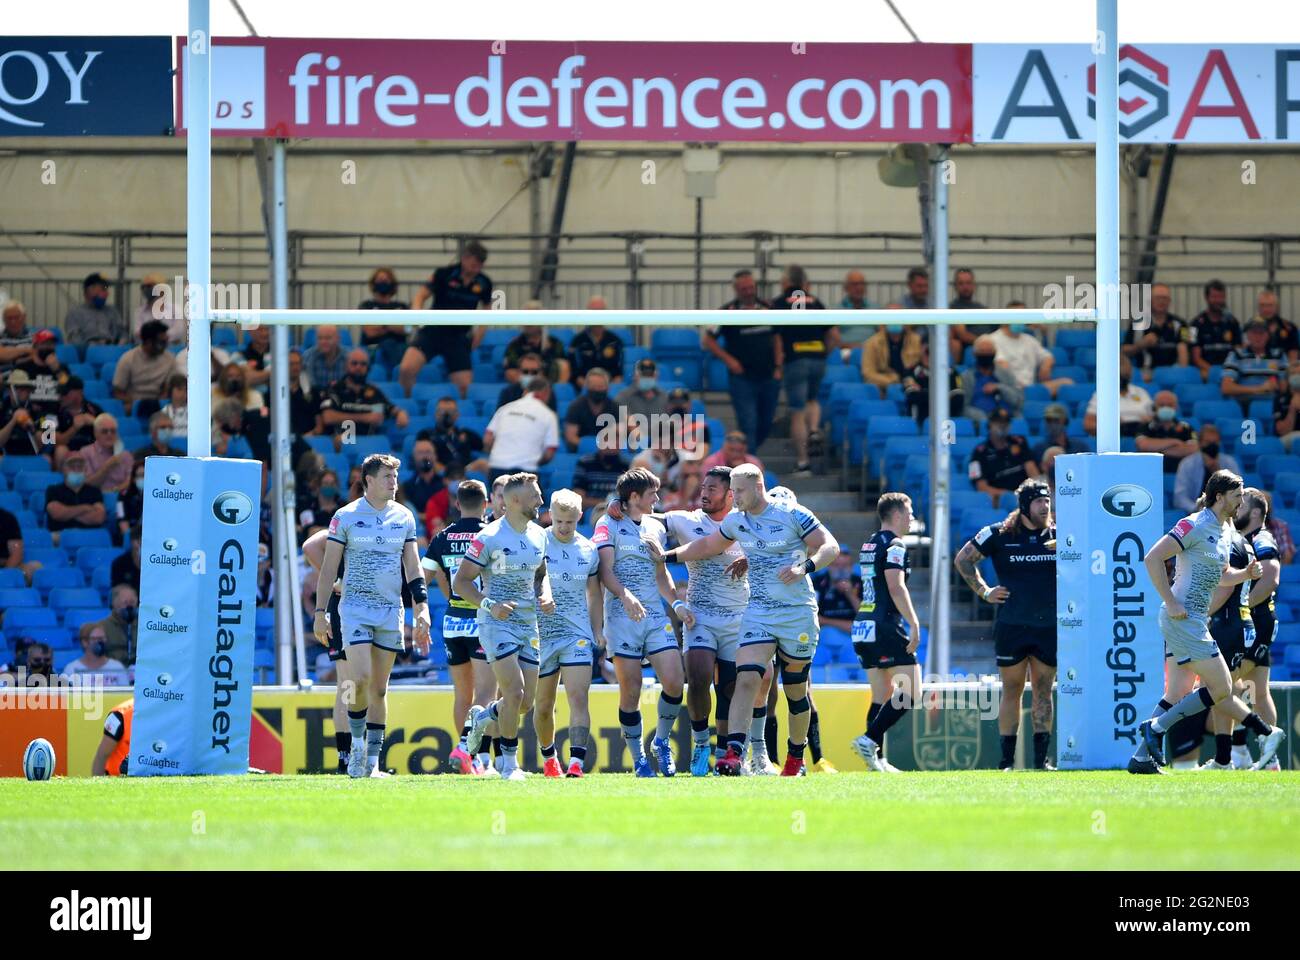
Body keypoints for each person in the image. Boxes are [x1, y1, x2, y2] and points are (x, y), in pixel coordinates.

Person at [650, 463, 839, 776]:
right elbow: (708, 546)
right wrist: (667, 556)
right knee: (748, 678)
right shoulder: (737, 520)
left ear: (758, 487)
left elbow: (828, 546)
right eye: (733, 490)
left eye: (738, 490)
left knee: (795, 691)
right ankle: (733, 753)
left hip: (796, 613)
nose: (734, 497)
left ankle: (795, 756)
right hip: (758, 612)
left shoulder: (792, 513)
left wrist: (804, 567)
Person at [1129, 470, 1285, 773]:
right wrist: (1171, 602)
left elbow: (1223, 575)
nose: (1241, 500)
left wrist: (1246, 575)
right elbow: (1152, 558)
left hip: (1194, 619)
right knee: (1222, 687)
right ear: (1219, 496)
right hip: (1183, 618)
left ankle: (1140, 759)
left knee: (1177, 692)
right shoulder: (1195, 524)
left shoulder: (1226, 531)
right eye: (1237, 495)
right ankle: (1157, 729)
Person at [312, 454, 432, 779]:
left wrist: (422, 607)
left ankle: (374, 763)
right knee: (358, 679)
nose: (393, 482)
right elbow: (326, 569)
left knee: (380, 688)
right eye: (387, 477)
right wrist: (320, 612)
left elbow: (413, 565)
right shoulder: (346, 517)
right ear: (368, 480)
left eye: (395, 476)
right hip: (353, 610)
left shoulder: (404, 517)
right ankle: (356, 748)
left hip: (390, 611)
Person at [583, 468, 689, 777]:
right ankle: (639, 759)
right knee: (631, 690)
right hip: (621, 617)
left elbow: (660, 574)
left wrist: (677, 603)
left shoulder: (656, 527)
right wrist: (625, 596)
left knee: (673, 681)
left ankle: (662, 742)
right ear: (633, 497)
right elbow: (605, 571)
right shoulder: (608, 524)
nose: (657, 498)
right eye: (652, 494)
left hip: (654, 616)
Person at [456, 472, 554, 782]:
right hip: (495, 624)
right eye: (535, 495)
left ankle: (483, 717)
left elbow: (541, 574)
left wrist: (545, 593)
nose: (540, 500)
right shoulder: (489, 537)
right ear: (514, 501)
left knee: (525, 703)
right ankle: (509, 765)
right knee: (514, 691)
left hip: (528, 624)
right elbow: (461, 582)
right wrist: (489, 605)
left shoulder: (540, 535)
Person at [954, 480, 1057, 770]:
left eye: (1047, 500)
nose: (1045, 506)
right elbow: (963, 560)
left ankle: (1040, 763)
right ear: (1024, 506)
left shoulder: (1060, 535)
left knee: (1043, 690)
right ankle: (1006, 762)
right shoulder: (998, 534)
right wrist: (985, 591)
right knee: (1011, 690)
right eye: (1039, 501)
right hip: (1012, 625)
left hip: (1048, 627)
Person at [421, 480, 495, 776]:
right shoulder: (491, 534)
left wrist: (425, 609)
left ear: (457, 504)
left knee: (462, 695)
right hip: (482, 621)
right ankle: (468, 749)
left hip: (452, 623)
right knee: (487, 694)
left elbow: (423, 579)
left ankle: (471, 761)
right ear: (486, 503)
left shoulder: (442, 537)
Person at [847, 493, 921, 773]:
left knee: (881, 694)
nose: (912, 518)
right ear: (898, 514)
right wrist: (913, 622)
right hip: (885, 624)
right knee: (912, 691)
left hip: (863, 624)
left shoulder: (870, 542)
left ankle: (876, 761)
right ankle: (869, 740)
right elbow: (895, 586)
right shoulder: (895, 544)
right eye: (910, 512)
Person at [535, 489, 603, 777]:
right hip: (540, 634)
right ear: (550, 515)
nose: (563, 527)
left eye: (570, 522)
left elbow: (594, 593)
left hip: (576, 633)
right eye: (559, 521)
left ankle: (576, 763)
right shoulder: (535, 541)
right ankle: (549, 757)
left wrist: (597, 630)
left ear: (579, 518)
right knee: (543, 705)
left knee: (578, 697)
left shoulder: (589, 550)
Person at [771, 265, 838, 476]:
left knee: (797, 412)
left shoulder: (780, 302)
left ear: (787, 282)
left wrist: (778, 363)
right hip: (817, 357)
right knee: (813, 400)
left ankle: (803, 463)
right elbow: (834, 335)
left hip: (795, 359)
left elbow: (776, 336)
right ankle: (815, 430)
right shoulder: (816, 301)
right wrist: (823, 353)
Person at [403, 240, 492, 397]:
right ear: (464, 257)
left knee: (465, 387)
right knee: (406, 369)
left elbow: (487, 311)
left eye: (481, 261)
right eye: (475, 259)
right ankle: (408, 400)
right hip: (433, 331)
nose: (477, 263)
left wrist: (479, 336)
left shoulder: (485, 283)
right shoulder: (444, 274)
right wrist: (416, 314)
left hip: (458, 337)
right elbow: (421, 295)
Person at [705, 270, 782, 450]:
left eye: (751, 287)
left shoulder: (768, 308)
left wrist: (779, 366)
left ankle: (749, 454)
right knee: (748, 423)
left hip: (769, 375)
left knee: (766, 422)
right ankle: (750, 463)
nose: (748, 291)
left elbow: (777, 337)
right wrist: (729, 360)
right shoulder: (727, 312)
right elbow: (708, 340)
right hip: (742, 379)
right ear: (736, 290)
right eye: (744, 288)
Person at [1238, 487, 1283, 769]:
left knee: (1224, 685)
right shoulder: (1246, 539)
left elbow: (1271, 579)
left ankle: (1235, 751)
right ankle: (1270, 758)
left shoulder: (1261, 538)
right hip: (1259, 622)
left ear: (1255, 513)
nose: (1236, 509)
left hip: (1254, 623)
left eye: (1242, 506)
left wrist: (1243, 606)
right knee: (1256, 688)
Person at [317, 350, 408, 438]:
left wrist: (401, 413)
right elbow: (328, 417)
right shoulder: (335, 389)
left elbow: (391, 408)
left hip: (370, 443)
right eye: (354, 363)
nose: (358, 367)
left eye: (363, 364)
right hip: (344, 440)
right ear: (346, 366)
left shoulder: (374, 392)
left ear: (368, 368)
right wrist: (365, 417)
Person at [483, 376, 559, 479]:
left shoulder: (505, 409)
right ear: (546, 393)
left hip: (497, 467)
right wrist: (534, 460)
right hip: (526, 471)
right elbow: (550, 452)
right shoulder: (548, 415)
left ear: (525, 391)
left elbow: (487, 439)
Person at [968, 407, 1040, 507]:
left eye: (1006, 422)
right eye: (998, 422)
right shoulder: (979, 452)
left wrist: (1037, 491)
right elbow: (981, 487)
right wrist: (1010, 497)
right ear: (989, 424)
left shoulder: (1020, 442)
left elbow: (1032, 470)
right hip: (1000, 502)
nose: (1002, 425)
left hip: (1027, 498)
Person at [990, 323, 1073, 399]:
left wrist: (1045, 367)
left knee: (1067, 383)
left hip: (1031, 388)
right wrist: (1016, 383)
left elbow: (1047, 356)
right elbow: (1001, 365)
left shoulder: (1030, 340)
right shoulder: (992, 339)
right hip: (1011, 389)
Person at [1221, 317, 1286, 411]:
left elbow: (1284, 388)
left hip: (1273, 407)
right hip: (1243, 407)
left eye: (1262, 333)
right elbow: (1226, 388)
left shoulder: (1279, 355)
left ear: (1268, 335)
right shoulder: (1236, 355)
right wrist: (1259, 389)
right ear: (1247, 335)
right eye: (1254, 333)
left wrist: (1279, 384)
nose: (1258, 337)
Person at [1173, 424, 1240, 513]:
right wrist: (1197, 509)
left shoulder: (1229, 463)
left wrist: (1219, 473)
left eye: (1215, 442)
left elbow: (1237, 493)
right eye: (1208, 442)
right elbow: (1179, 498)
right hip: (1195, 515)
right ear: (1200, 443)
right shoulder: (1187, 464)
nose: (1211, 445)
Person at [1123, 282, 1188, 370]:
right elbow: (1123, 350)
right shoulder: (1138, 323)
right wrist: (1139, 345)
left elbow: (1190, 348)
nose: (1161, 301)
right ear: (1149, 300)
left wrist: (1181, 373)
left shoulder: (1182, 324)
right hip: (1145, 373)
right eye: (1157, 298)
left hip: (1173, 373)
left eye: (1165, 298)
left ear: (1169, 301)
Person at [1083, 356, 1153, 437]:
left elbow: (1153, 419)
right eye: (1120, 376)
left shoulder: (1141, 392)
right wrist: (1110, 426)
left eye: (1126, 375)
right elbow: (1088, 425)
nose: (1122, 379)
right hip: (1113, 436)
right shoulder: (1102, 394)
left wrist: (1148, 421)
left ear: (1130, 374)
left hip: (1141, 434)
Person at [45, 451, 107, 541]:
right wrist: (86, 508)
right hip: (60, 536)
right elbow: (57, 513)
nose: (76, 469)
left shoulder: (94, 491)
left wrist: (67, 513)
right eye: (71, 466)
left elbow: (99, 517)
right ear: (63, 469)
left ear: (85, 470)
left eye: (80, 466)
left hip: (89, 536)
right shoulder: (53, 490)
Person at [959, 335, 1022, 423]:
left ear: (995, 353)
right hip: (979, 421)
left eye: (989, 351)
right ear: (974, 354)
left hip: (1007, 419)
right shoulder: (966, 377)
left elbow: (1017, 400)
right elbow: (963, 407)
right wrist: (982, 419)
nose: (985, 354)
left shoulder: (1006, 374)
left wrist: (999, 387)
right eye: (982, 351)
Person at [359, 267, 411, 370]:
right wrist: (393, 325)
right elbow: (369, 331)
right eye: (379, 280)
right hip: (373, 346)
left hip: (400, 346)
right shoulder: (366, 306)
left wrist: (381, 325)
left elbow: (407, 329)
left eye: (386, 280)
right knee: (388, 343)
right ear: (373, 284)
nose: (383, 283)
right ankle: (397, 371)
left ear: (392, 284)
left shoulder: (401, 306)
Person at [1188, 279, 1241, 379]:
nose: (1218, 301)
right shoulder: (1193, 325)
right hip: (1205, 373)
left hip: (1229, 373)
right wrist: (1215, 373)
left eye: (1221, 297)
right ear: (1206, 298)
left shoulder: (1233, 322)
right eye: (1214, 297)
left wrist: (1228, 372)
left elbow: (1238, 351)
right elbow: (1195, 358)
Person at [1135, 391, 1199, 473]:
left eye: (1169, 405)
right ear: (1155, 407)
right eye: (1161, 405)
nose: (1165, 408)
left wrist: (1155, 448)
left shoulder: (1186, 428)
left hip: (1178, 473)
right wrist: (1175, 442)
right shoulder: (1145, 426)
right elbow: (1143, 445)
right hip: (1149, 472)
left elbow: (1192, 449)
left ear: (1176, 407)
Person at [572, 433, 630, 517]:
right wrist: (606, 503)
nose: (611, 450)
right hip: (593, 511)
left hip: (619, 513)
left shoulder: (626, 466)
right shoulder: (585, 463)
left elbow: (629, 501)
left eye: (615, 446)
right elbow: (579, 499)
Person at [426, 398, 488, 474]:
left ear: (457, 414)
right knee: (430, 461)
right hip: (442, 472)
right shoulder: (427, 435)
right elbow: (423, 459)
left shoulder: (466, 433)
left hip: (465, 471)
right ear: (436, 414)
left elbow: (486, 448)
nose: (446, 415)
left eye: (451, 411)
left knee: (483, 463)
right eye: (442, 411)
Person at [64, 272, 126, 345]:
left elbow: (122, 333)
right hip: (87, 352)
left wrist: (120, 344)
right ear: (90, 290)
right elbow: (75, 339)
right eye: (104, 288)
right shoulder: (75, 313)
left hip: (111, 350)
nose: (107, 293)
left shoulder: (112, 311)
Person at [861, 324, 923, 396]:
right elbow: (868, 373)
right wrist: (892, 381)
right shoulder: (872, 343)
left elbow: (926, 367)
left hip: (915, 388)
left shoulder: (918, 340)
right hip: (883, 391)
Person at [61, 622, 131, 686]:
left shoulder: (117, 667)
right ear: (84, 642)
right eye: (95, 639)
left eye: (102, 638)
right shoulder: (71, 669)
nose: (100, 642)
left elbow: (127, 696)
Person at [563, 366, 615, 451]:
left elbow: (618, 435)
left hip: (607, 452)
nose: (597, 390)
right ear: (586, 387)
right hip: (581, 452)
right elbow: (570, 437)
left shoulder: (614, 406)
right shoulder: (575, 407)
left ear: (608, 388)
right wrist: (590, 446)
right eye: (594, 387)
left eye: (601, 386)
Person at [813, 547, 862, 635]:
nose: (840, 569)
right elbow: (813, 619)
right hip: (825, 635)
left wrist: (850, 594)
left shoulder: (860, 583)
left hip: (854, 635)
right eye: (836, 565)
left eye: (845, 565)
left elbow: (865, 619)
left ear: (851, 567)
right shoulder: (817, 583)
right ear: (828, 566)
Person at [80, 413, 133, 495]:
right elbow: (87, 485)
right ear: (95, 433)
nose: (109, 434)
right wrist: (106, 468)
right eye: (104, 431)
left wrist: (114, 491)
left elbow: (131, 481)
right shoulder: (86, 453)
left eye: (113, 431)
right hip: (96, 498)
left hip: (121, 496)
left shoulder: (125, 455)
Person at [947, 268, 990, 362]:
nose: (965, 287)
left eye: (968, 283)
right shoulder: (952, 309)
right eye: (961, 283)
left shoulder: (982, 308)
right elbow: (963, 335)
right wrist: (984, 342)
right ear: (955, 286)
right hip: (972, 350)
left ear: (974, 285)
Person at [568, 317, 624, 388]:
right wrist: (587, 386)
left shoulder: (615, 340)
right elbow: (574, 371)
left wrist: (613, 386)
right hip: (585, 384)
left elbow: (619, 371)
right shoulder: (577, 341)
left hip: (609, 384)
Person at [504, 327, 569, 386]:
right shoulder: (515, 344)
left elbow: (563, 365)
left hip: (549, 382)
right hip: (522, 383)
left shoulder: (554, 343)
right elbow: (510, 370)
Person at [0, 369, 44, 456]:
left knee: (46, 459)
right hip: (6, 456)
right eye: (17, 388)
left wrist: (33, 429)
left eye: (24, 389)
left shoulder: (39, 411)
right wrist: (13, 421)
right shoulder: (2, 409)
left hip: (31, 454)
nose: (21, 392)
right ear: (9, 390)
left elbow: (49, 442)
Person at [90, 697, 133, 776]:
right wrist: (97, 786)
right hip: (116, 780)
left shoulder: (161, 712)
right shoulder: (120, 714)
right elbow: (102, 755)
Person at [0, 504, 41, 585]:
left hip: (7, 568)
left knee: (35, 567)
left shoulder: (7, 518)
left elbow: (17, 553)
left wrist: (5, 575)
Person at [1255, 288, 1298, 362]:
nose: (1266, 309)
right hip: (1256, 369)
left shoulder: (1289, 328)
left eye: (1270, 305)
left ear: (1277, 307)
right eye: (1262, 305)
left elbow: (1293, 358)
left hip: (1283, 370)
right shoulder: (1250, 329)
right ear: (1258, 307)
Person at [302, 325, 347, 393]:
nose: (323, 342)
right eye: (320, 338)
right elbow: (308, 387)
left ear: (338, 339)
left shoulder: (349, 357)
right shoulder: (307, 357)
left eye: (328, 338)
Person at [837, 270, 875, 344]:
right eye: (855, 284)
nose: (859, 287)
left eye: (862, 284)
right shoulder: (836, 310)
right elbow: (833, 337)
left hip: (872, 352)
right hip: (846, 352)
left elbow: (882, 333)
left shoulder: (875, 309)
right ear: (846, 287)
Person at [700, 430, 765, 473]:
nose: (735, 454)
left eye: (739, 451)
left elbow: (759, 489)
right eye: (732, 450)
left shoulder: (754, 463)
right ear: (724, 448)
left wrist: (742, 472)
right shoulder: (711, 463)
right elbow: (709, 489)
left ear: (745, 449)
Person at [0, 300, 35, 377]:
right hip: (5, 379)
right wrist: (27, 350)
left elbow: (38, 356)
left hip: (30, 378)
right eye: (9, 318)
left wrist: (10, 355)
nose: (13, 322)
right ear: (4, 320)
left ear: (24, 317)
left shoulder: (34, 336)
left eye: (16, 317)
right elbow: (1, 354)